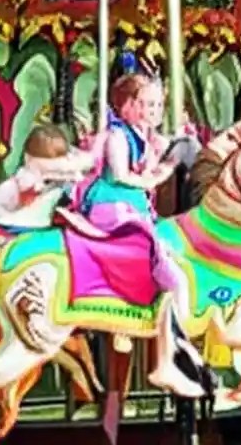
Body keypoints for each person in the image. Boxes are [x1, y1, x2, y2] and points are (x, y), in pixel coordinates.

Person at [80, 73, 204, 399]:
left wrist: (176, 149)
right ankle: (168, 355)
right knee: (174, 278)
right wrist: (153, 178)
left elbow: (169, 149)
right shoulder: (117, 136)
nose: (156, 110)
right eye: (148, 104)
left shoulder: (142, 134)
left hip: (135, 205)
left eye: (159, 104)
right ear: (127, 106)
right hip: (113, 206)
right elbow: (120, 175)